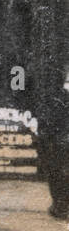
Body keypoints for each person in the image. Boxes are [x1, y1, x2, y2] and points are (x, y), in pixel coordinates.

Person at [39, 66, 69, 219]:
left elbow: (47, 120)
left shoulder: (54, 96)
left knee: (57, 172)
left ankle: (61, 205)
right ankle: (61, 205)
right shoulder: (57, 96)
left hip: (60, 140)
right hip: (62, 139)